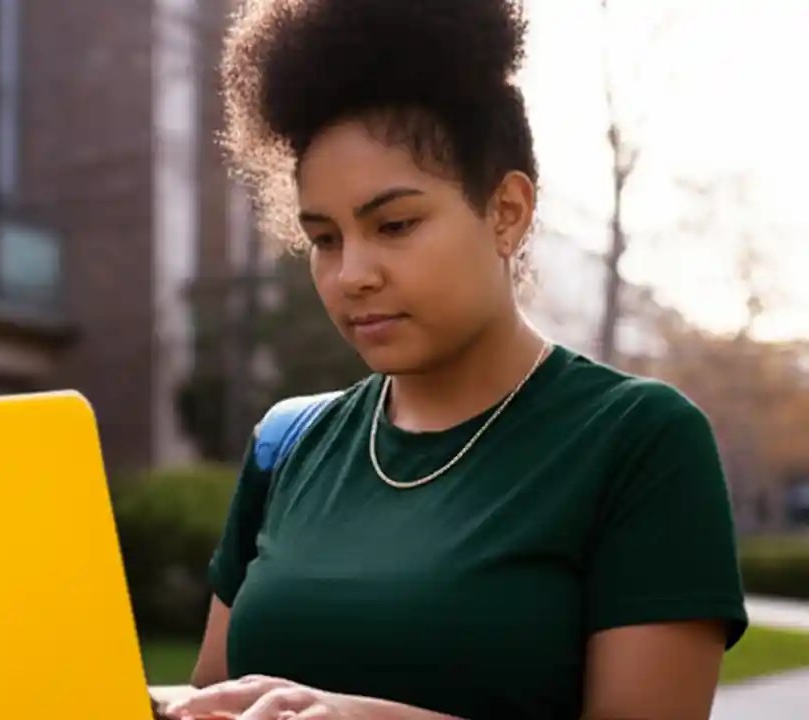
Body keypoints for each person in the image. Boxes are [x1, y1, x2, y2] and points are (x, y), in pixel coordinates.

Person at [161, 1, 748, 719]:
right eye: (325, 238)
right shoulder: (288, 444)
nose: (352, 274)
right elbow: (210, 698)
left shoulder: (637, 441)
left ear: (506, 211)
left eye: (395, 225)